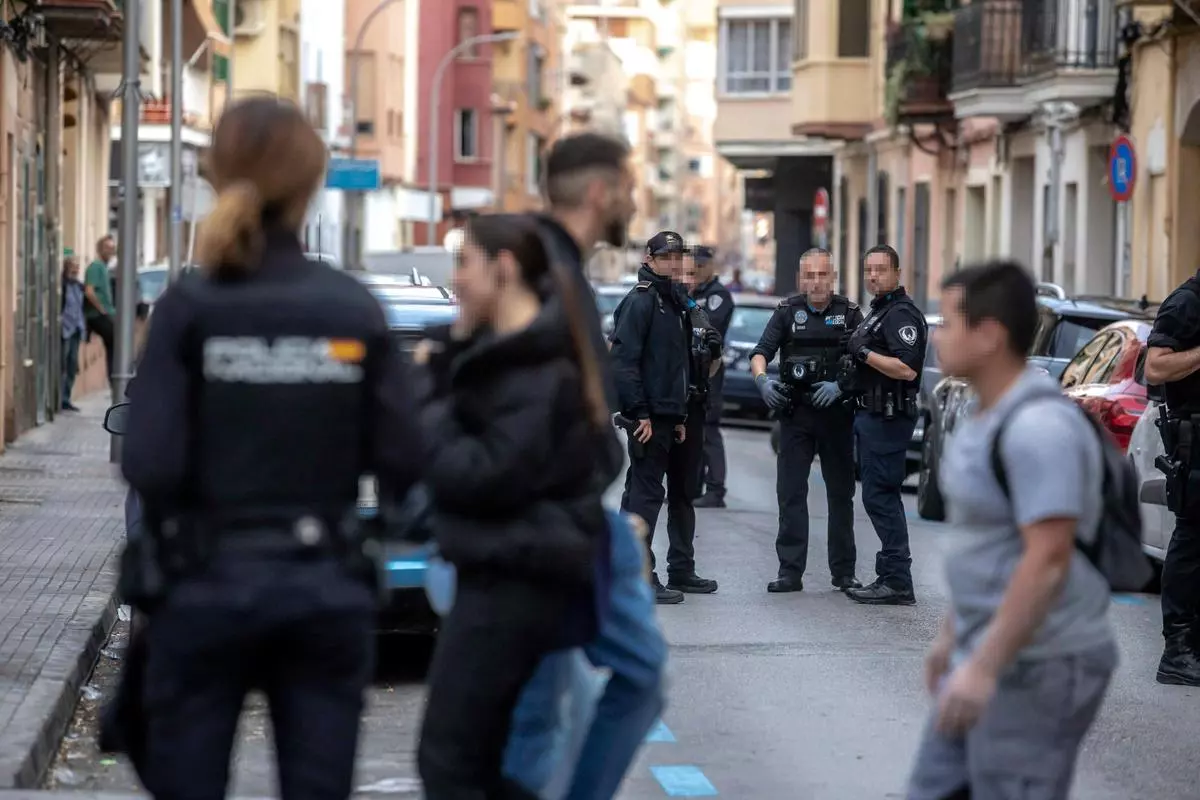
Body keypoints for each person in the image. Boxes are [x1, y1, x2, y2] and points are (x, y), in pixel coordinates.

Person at [118, 96, 423, 800]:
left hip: (203, 587)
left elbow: (149, 462)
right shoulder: (350, 307)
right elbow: (405, 459)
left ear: (219, 176)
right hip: (324, 589)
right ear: (313, 184)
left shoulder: (188, 307)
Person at [414, 214, 610, 799]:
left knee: (450, 761)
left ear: (502, 269)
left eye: (464, 263)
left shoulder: (537, 369)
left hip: (514, 581)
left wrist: (426, 405)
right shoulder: (505, 354)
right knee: (473, 759)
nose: (456, 280)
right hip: (503, 572)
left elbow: (483, 474)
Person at [908, 261, 1116, 800]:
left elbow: (1047, 559)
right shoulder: (983, 413)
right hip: (985, 649)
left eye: (950, 321)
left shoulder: (1039, 427)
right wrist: (952, 637)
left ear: (990, 335)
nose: (936, 334)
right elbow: (987, 543)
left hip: (1040, 663)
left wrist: (984, 666)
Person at [505, 132, 666, 800]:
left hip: (573, 522)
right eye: (628, 186)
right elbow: (527, 411)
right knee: (541, 711)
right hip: (548, 530)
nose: (634, 199)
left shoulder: (558, 269)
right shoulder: (544, 276)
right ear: (600, 192)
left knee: (609, 686)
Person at [749, 248, 862, 593]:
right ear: (801, 280)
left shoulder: (851, 313)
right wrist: (763, 382)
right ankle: (790, 571)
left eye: (822, 275)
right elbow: (760, 353)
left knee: (841, 496)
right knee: (791, 494)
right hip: (796, 415)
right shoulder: (787, 312)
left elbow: (866, 360)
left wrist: (841, 385)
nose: (816, 282)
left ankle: (843, 573)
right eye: (809, 276)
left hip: (836, 416)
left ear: (833, 278)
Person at [611, 230, 694, 604]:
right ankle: (640, 576)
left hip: (665, 414)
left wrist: (678, 413)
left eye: (677, 257)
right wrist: (639, 412)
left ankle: (624, 571)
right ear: (649, 259)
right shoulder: (642, 301)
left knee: (639, 496)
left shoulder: (672, 300)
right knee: (644, 498)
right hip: (647, 417)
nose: (673, 263)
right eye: (666, 257)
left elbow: (673, 366)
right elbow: (624, 362)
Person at [843, 244, 927, 606]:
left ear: (897, 273)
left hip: (889, 419)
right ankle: (891, 575)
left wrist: (863, 353)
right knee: (877, 495)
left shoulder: (901, 314)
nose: (873, 275)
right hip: (872, 417)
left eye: (880, 269)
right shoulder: (880, 312)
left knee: (881, 497)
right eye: (869, 270)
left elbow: (907, 368)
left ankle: (897, 579)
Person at [1143, 269, 1200, 686]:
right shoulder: (1186, 303)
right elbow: (1156, 367)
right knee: (1192, 538)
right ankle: (1177, 651)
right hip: (1194, 440)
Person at [660, 249, 722, 596]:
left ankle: (682, 568)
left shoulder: (697, 313)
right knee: (646, 494)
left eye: (690, 274)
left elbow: (712, 367)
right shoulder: (651, 306)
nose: (685, 280)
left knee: (684, 494)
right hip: (657, 414)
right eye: (679, 273)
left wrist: (711, 353)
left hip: (692, 412)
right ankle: (638, 571)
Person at [691, 245, 734, 508]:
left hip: (711, 370)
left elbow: (709, 328)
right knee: (694, 431)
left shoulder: (718, 296)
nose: (694, 273)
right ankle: (692, 486)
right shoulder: (692, 293)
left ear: (709, 266)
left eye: (698, 267)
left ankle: (716, 489)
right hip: (692, 369)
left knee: (709, 429)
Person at [84, 234, 117, 380]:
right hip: (97, 315)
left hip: (107, 313)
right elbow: (89, 291)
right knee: (116, 342)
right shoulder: (95, 267)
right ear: (100, 249)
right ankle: (114, 379)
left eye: (112, 248)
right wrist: (101, 308)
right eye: (107, 248)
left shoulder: (104, 268)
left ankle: (115, 379)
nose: (111, 251)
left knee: (116, 345)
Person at [61, 252, 86, 412]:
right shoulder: (63, 285)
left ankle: (66, 398)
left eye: (77, 267)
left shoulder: (79, 286)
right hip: (65, 329)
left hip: (76, 328)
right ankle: (60, 398)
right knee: (62, 363)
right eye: (72, 266)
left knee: (72, 365)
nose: (75, 269)